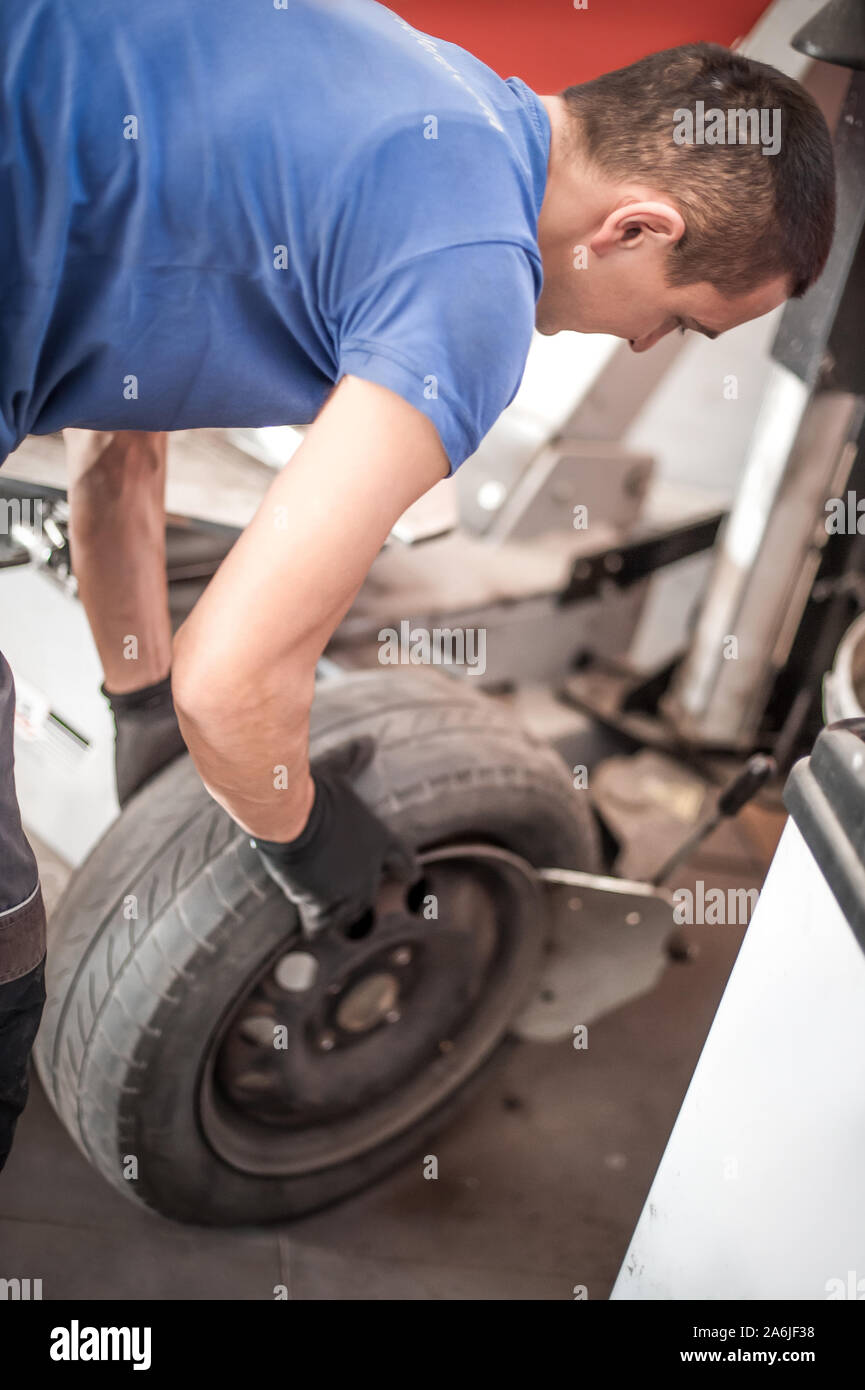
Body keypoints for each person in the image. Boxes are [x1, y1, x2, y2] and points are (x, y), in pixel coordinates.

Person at [0, 0, 835, 1171]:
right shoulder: (477, 284)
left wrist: (139, 702)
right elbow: (235, 684)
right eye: (684, 326)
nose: (648, 348)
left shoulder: (422, 79)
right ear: (640, 227)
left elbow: (119, 441)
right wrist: (312, 840)